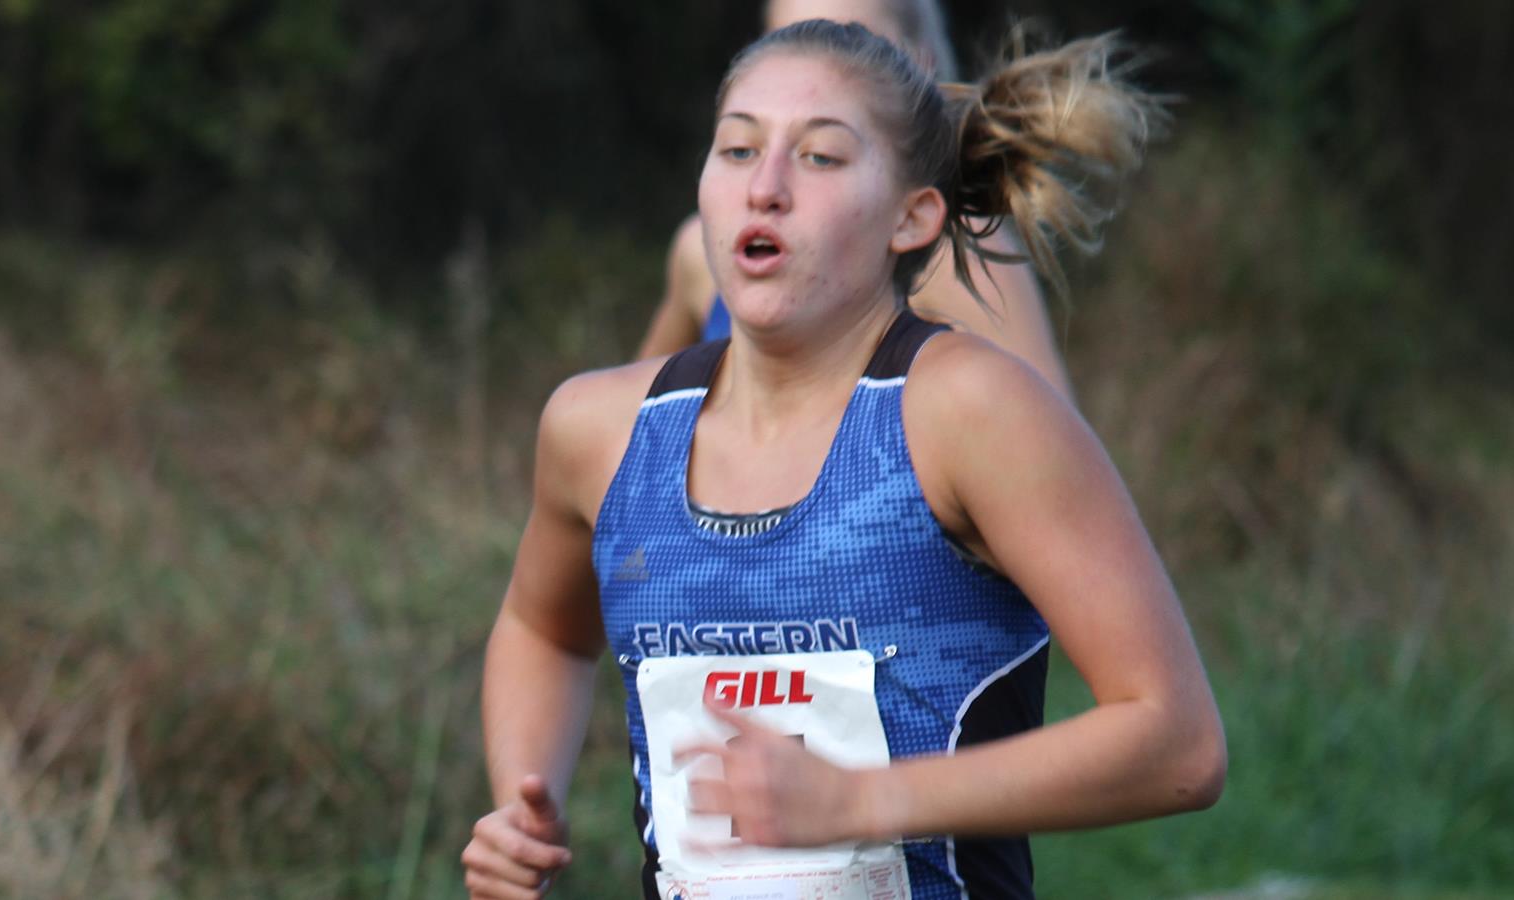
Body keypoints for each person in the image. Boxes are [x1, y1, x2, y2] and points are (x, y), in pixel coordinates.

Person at [463, 19, 1224, 900]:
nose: (767, 187)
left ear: (913, 216)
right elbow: (543, 630)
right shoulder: (597, 429)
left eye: (821, 158)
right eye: (738, 149)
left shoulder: (970, 413)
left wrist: (862, 801)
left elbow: (1179, 743)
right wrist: (525, 801)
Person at [638, 0, 1074, 401]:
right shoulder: (699, 252)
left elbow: (1059, 452)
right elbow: (630, 436)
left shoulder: (959, 261)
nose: (817, 66)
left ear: (921, 66)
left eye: (851, 39)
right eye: (793, 39)